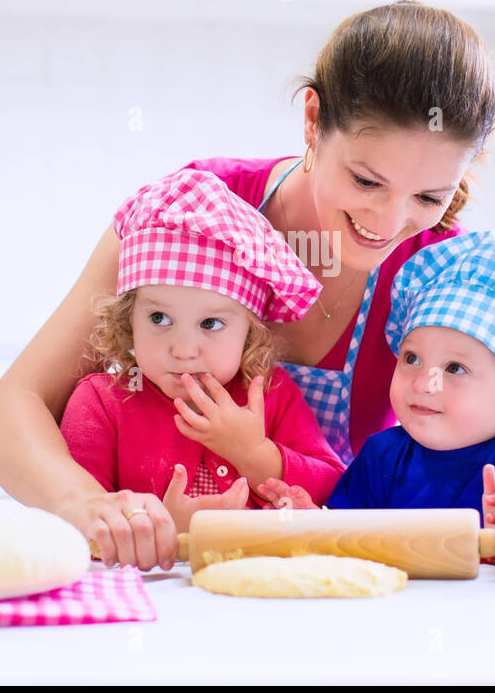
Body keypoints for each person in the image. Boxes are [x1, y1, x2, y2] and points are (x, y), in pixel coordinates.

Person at [0, 0, 495, 574]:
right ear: (313, 121)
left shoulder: (448, 278)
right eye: (367, 181)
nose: (388, 222)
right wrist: (88, 506)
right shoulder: (192, 213)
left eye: (429, 195)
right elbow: (10, 412)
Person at [257, 230, 495, 566]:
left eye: (455, 368)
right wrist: (315, 521)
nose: (425, 382)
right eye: (411, 358)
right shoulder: (383, 455)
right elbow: (347, 538)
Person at [58, 168, 346, 534]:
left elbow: (334, 489)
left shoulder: (271, 394)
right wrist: (163, 525)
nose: (182, 349)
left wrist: (255, 454)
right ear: (128, 319)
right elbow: (79, 524)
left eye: (210, 324)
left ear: (250, 333)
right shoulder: (101, 404)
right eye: (159, 318)